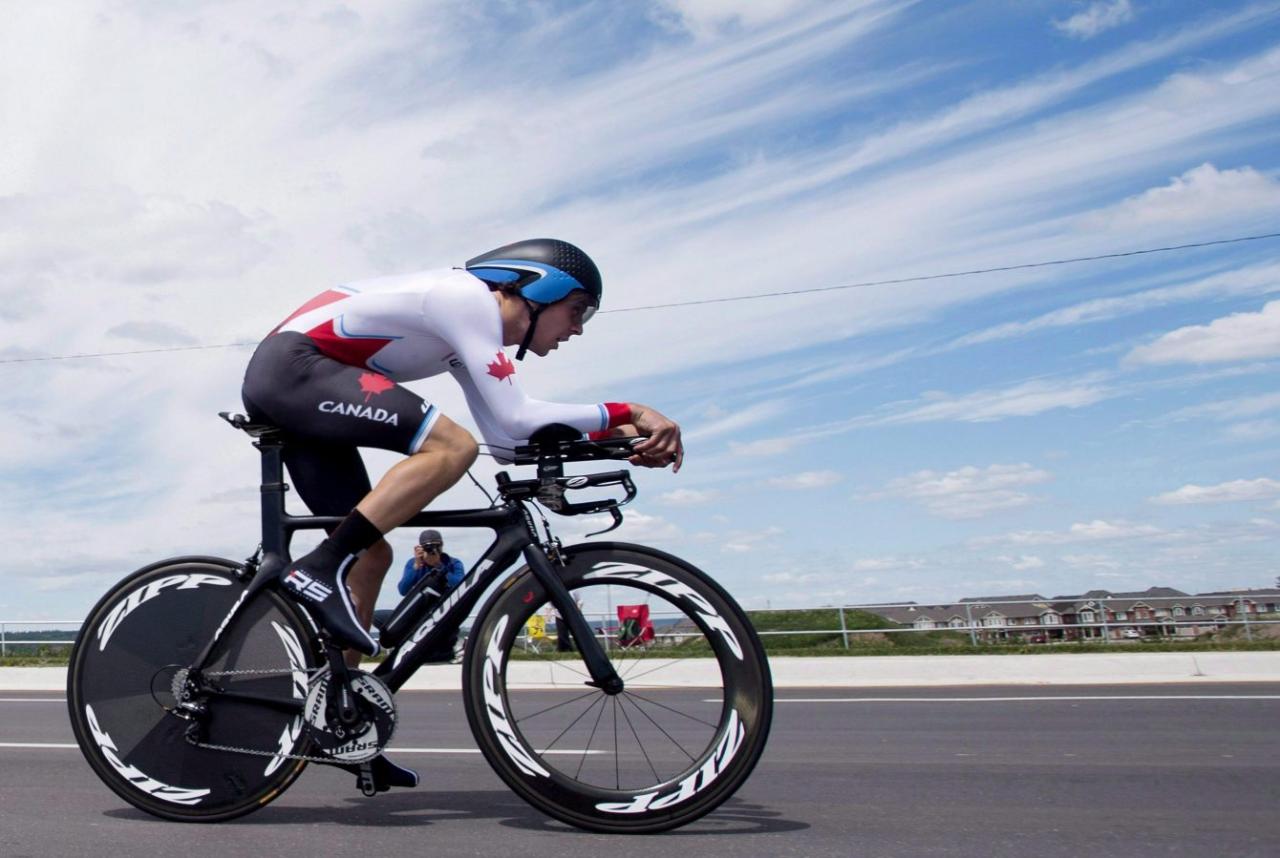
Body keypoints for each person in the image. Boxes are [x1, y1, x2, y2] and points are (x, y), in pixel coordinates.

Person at [240, 238, 683, 791]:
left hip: (303, 378)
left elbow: (507, 437)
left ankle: (343, 720)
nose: (579, 329)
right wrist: (630, 410)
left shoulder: (463, 335)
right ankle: (317, 568)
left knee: (371, 554)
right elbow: (515, 419)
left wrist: (605, 434)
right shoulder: (466, 297)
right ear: (536, 289)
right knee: (451, 448)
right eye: (579, 311)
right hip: (295, 368)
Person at [398, 529, 464, 597]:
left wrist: (440, 566)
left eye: (437, 546)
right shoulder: (413, 563)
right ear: (421, 548)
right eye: (428, 547)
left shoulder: (453, 563)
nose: (433, 550)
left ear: (442, 545)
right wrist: (416, 567)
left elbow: (461, 587)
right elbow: (403, 590)